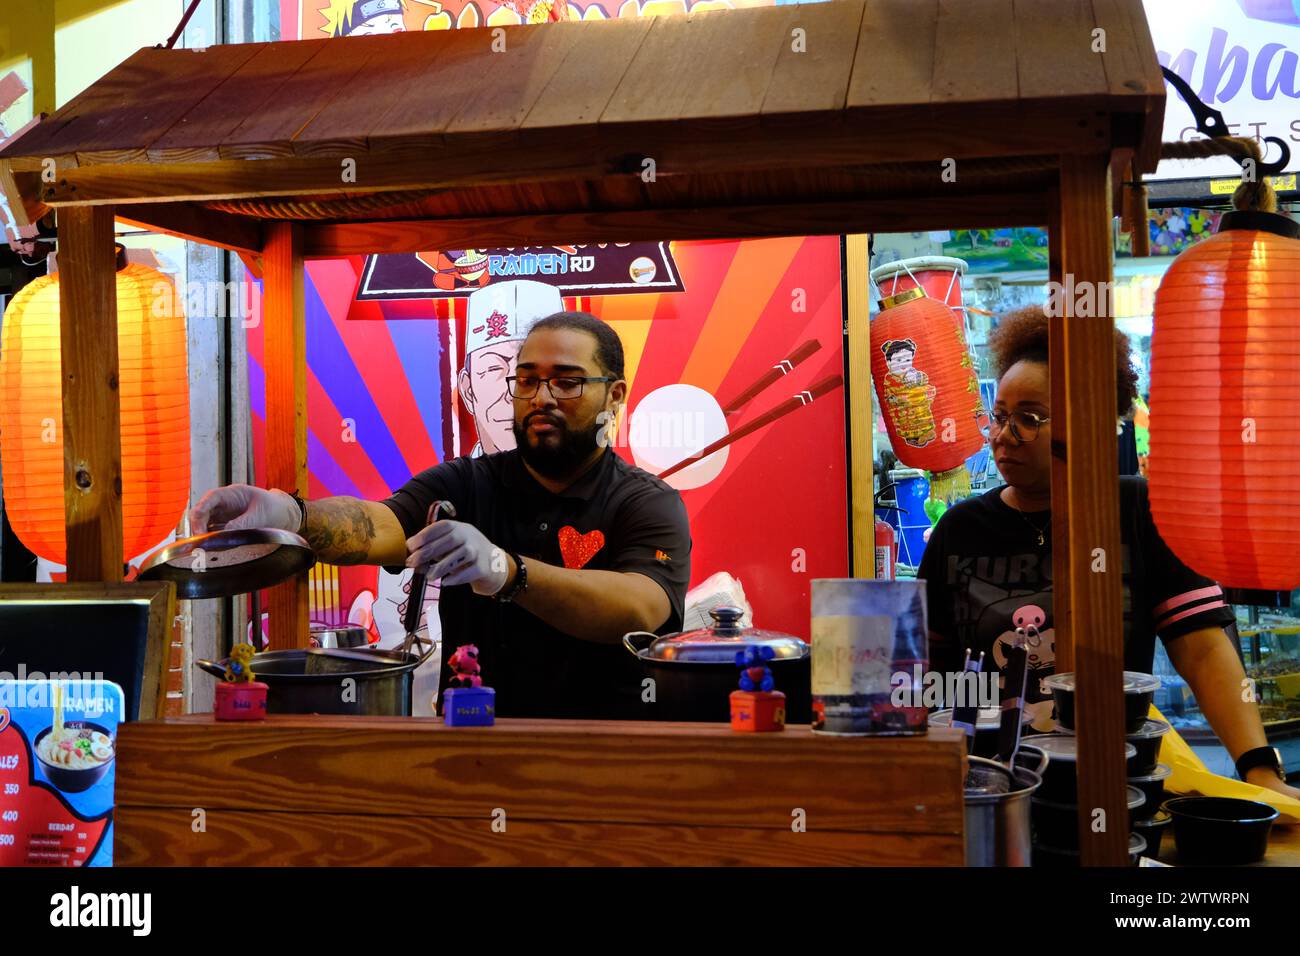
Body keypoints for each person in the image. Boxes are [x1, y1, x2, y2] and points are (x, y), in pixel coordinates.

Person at [192, 312, 692, 719]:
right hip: (472, 754)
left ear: (615, 396)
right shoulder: (464, 484)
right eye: (527, 379)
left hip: (612, 756)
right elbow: (379, 527)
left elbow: (640, 609)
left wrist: (506, 571)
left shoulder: (646, 502)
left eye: (567, 382)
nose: (541, 398)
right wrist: (290, 514)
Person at [918, 305, 1300, 800]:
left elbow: (1202, 648)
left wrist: (1259, 768)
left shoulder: (1135, 508)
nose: (1002, 436)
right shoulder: (961, 528)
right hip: (994, 788)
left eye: (1029, 419)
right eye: (1000, 416)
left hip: (1117, 783)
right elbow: (932, 674)